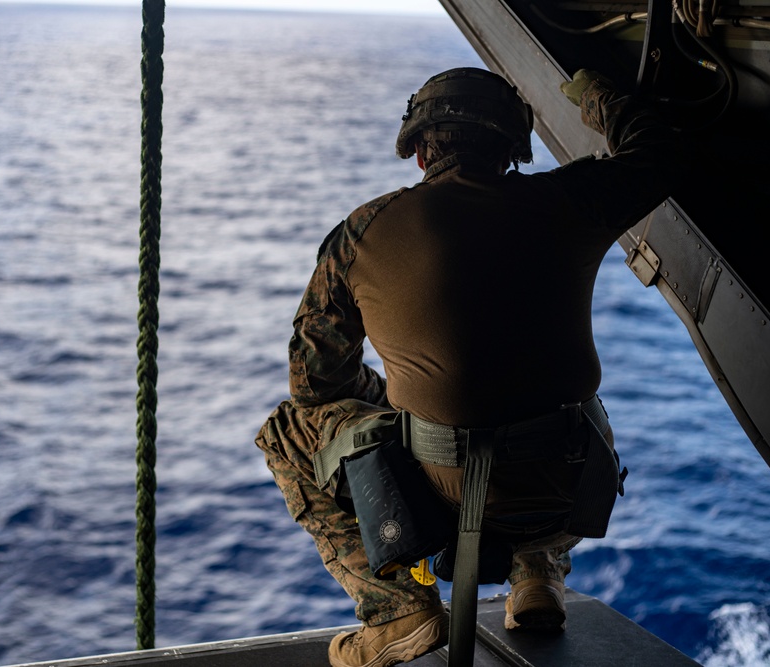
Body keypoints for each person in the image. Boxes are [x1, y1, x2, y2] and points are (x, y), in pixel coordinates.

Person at [255, 67, 684, 667]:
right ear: (511, 148)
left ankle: (398, 607)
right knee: (574, 401)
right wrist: (596, 95)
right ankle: (537, 570)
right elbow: (660, 157)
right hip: (562, 483)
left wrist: (391, 399)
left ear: (420, 149)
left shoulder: (361, 234)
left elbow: (313, 385)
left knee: (288, 430)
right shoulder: (572, 199)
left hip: (438, 485)